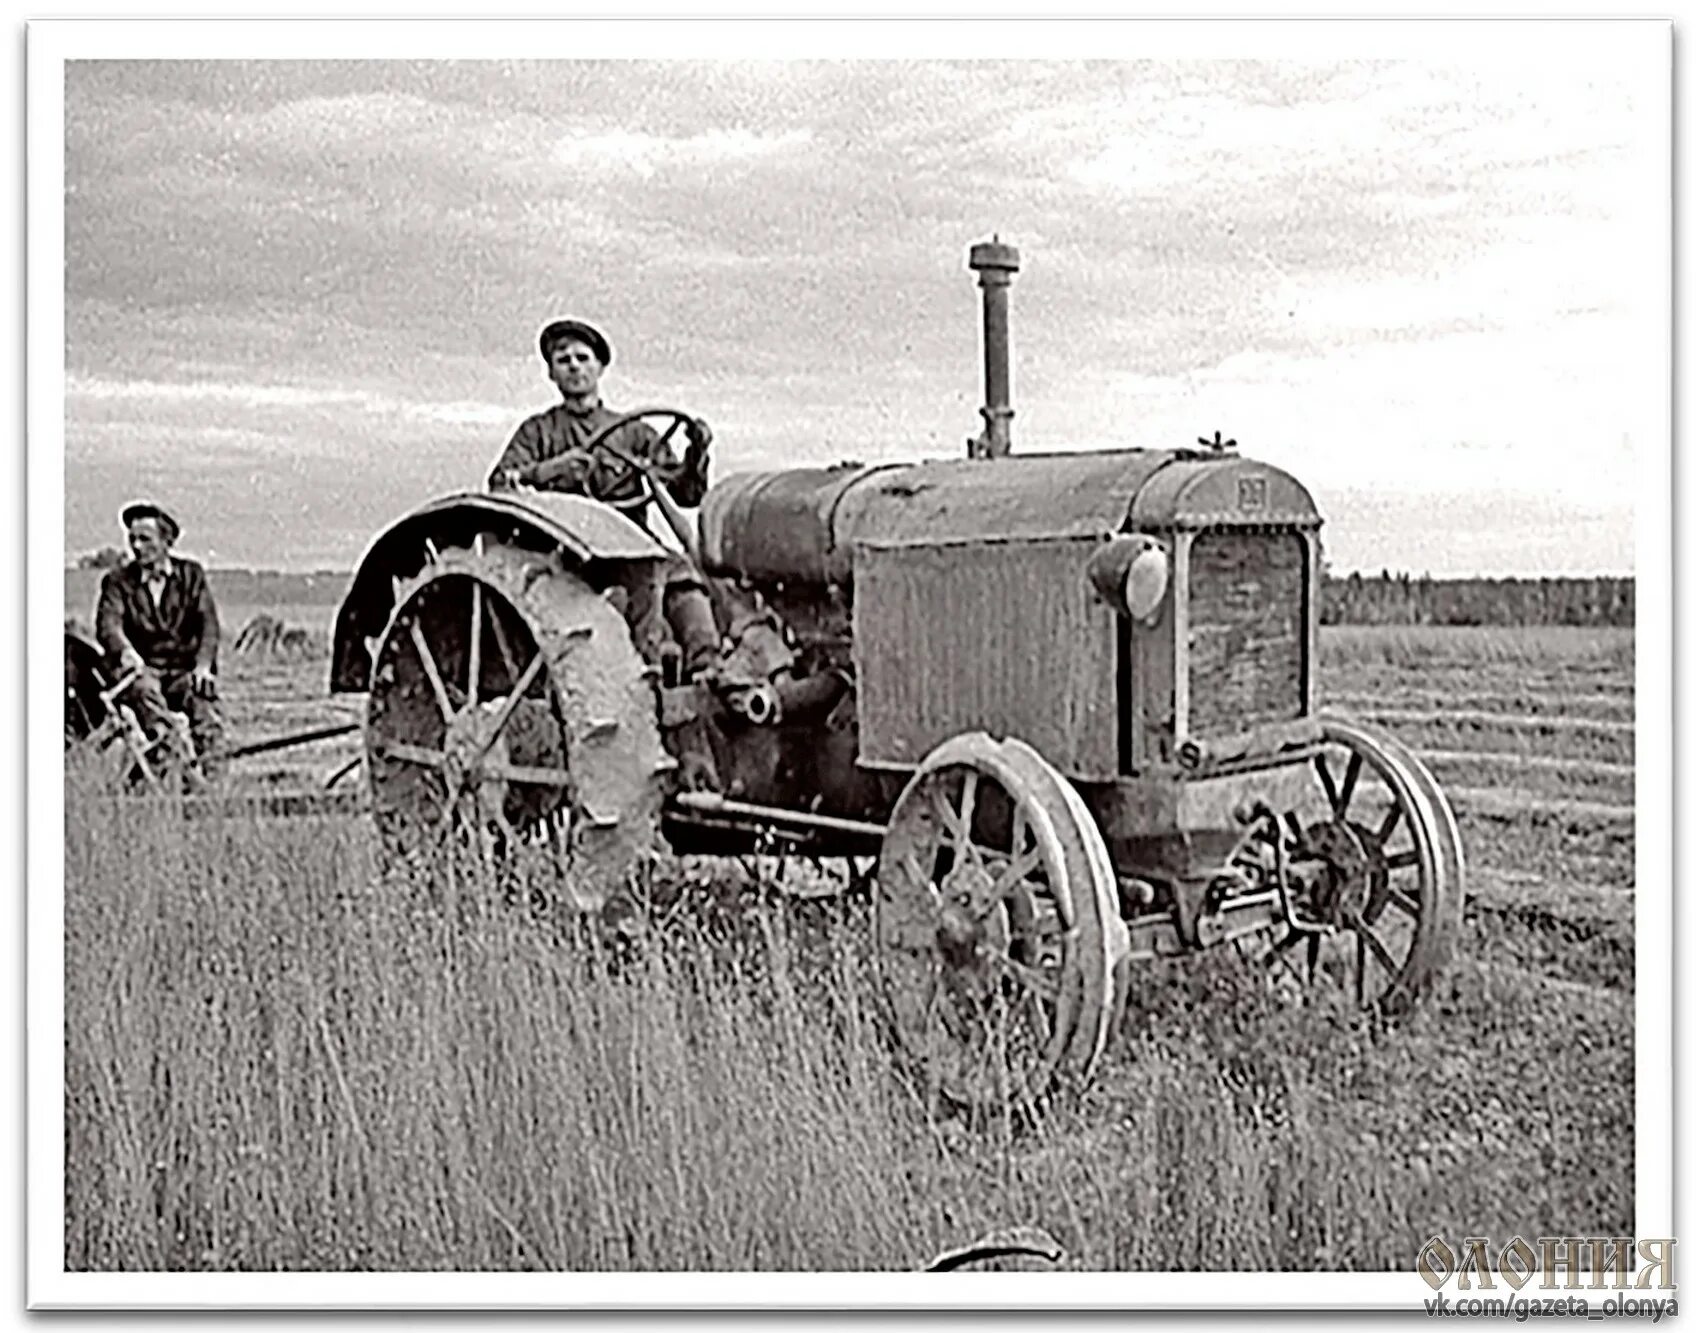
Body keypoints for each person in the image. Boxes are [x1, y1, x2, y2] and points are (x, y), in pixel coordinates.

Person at [488, 319, 722, 678]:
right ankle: (644, 671)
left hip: (635, 543)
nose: (574, 366)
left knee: (682, 572)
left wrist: (696, 454)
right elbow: (500, 484)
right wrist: (549, 471)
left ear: (600, 368)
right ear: (551, 373)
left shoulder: (634, 433)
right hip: (573, 555)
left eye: (583, 358)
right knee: (639, 572)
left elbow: (686, 493)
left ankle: (706, 665)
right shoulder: (538, 432)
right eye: (563, 360)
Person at [94, 502, 224, 784]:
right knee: (145, 695)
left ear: (167, 542)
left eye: (145, 539)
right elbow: (108, 625)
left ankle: (215, 787)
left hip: (183, 671)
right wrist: (125, 652)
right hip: (143, 672)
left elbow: (209, 625)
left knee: (205, 709)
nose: (137, 547)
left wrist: (203, 666)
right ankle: (174, 762)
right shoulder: (117, 582)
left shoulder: (192, 575)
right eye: (133, 540)